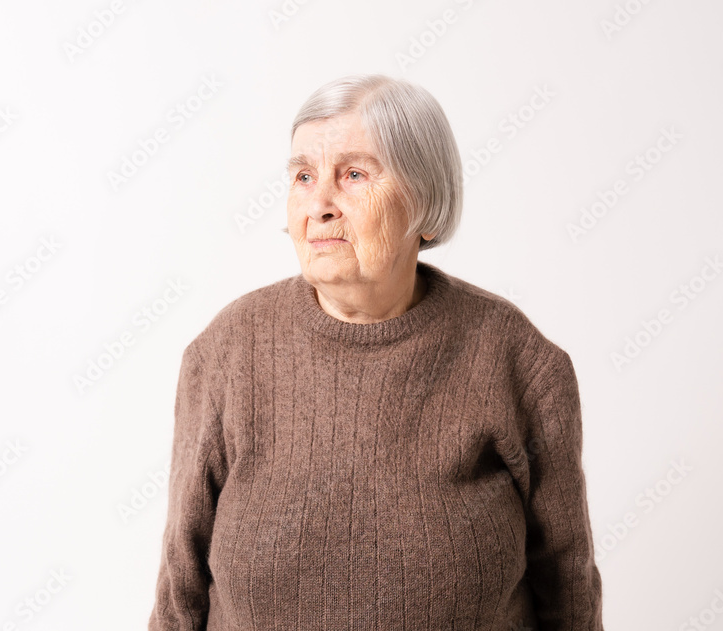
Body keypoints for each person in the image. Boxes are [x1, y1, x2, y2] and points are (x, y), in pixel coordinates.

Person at [148, 73, 604, 630]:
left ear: (424, 196)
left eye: (354, 175)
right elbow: (181, 585)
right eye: (303, 176)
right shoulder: (225, 352)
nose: (319, 205)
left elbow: (568, 586)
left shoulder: (520, 363)